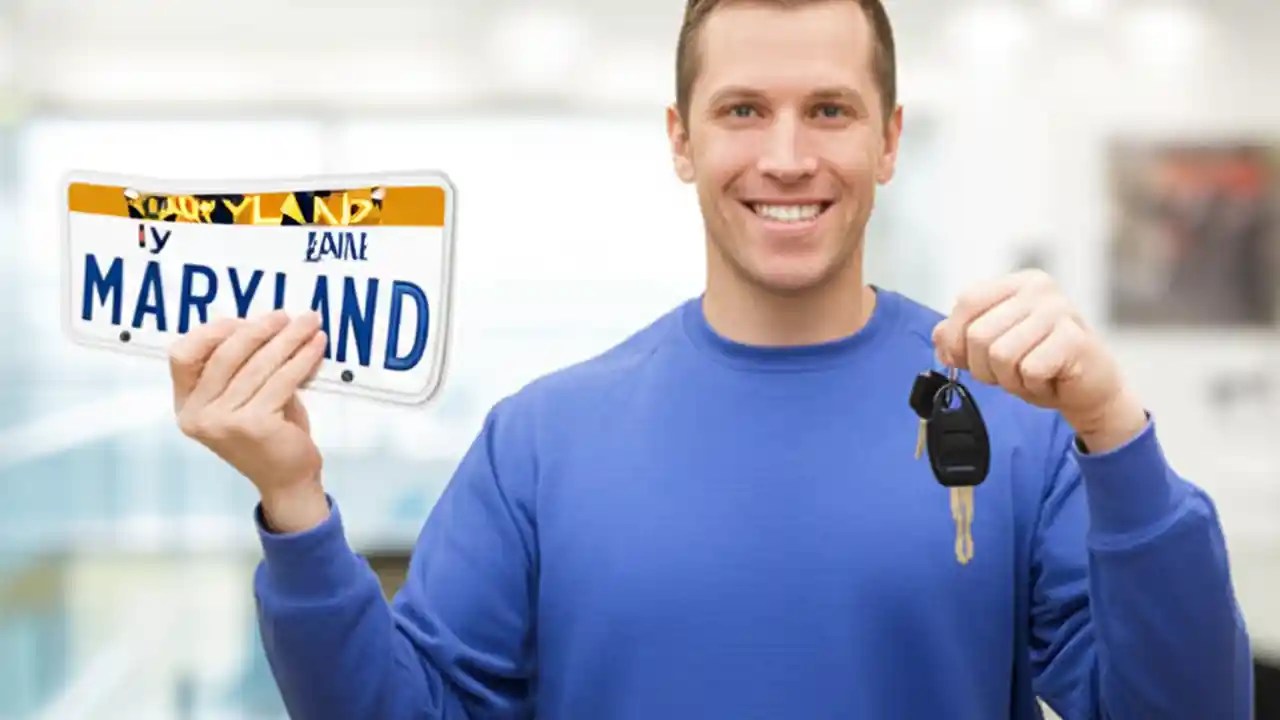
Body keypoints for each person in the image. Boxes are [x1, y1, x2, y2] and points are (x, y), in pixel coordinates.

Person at [168, 0, 1254, 718]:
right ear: (681, 138)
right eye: (742, 111)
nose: (785, 156)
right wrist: (295, 502)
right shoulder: (538, 442)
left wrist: (1113, 428)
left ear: (886, 139)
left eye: (827, 110)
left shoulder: (1017, 428)